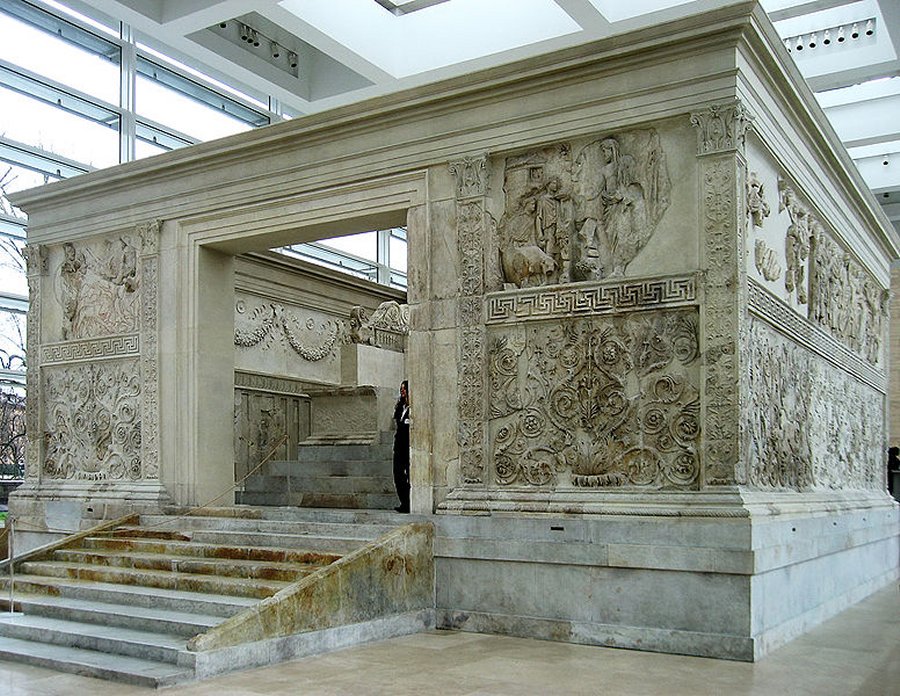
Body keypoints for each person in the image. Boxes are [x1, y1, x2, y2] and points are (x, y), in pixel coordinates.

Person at [393, 380, 410, 513]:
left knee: (409, 475)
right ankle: (404, 502)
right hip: (399, 446)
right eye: (401, 389)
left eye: (404, 389)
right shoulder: (400, 407)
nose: (402, 391)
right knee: (398, 475)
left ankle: (409, 503)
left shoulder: (412, 408)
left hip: (408, 446)